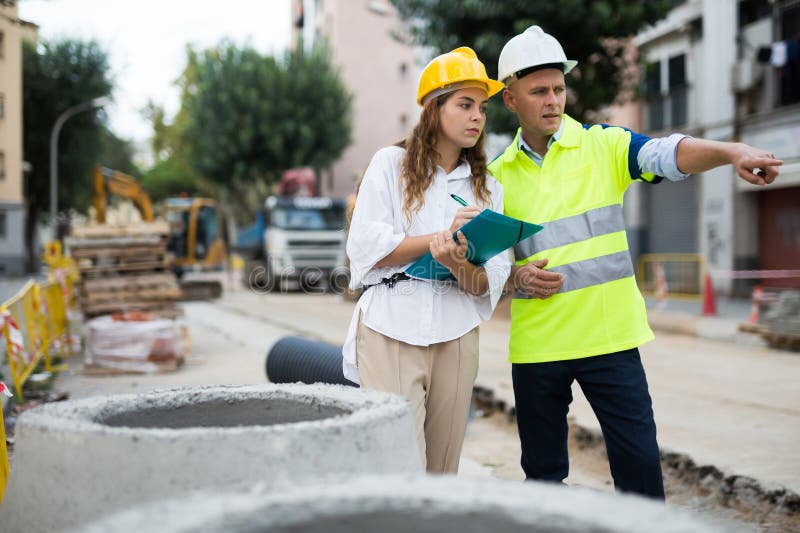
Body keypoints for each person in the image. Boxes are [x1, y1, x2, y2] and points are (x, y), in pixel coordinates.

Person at [488, 26, 783, 499]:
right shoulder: (496, 178)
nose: (553, 101)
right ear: (510, 99)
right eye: (538, 91)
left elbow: (667, 154)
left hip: (611, 340)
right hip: (538, 350)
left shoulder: (602, 146)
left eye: (559, 89)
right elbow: (487, 272)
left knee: (641, 473)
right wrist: (516, 278)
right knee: (542, 480)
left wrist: (731, 152)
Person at [342, 47, 510, 474]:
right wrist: (439, 240)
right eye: (465, 104)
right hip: (390, 329)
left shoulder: (486, 188)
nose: (477, 117)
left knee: (443, 473)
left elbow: (487, 282)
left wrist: (457, 260)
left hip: (456, 335)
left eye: (483, 108)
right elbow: (367, 246)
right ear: (435, 109)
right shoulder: (390, 165)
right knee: (400, 466)